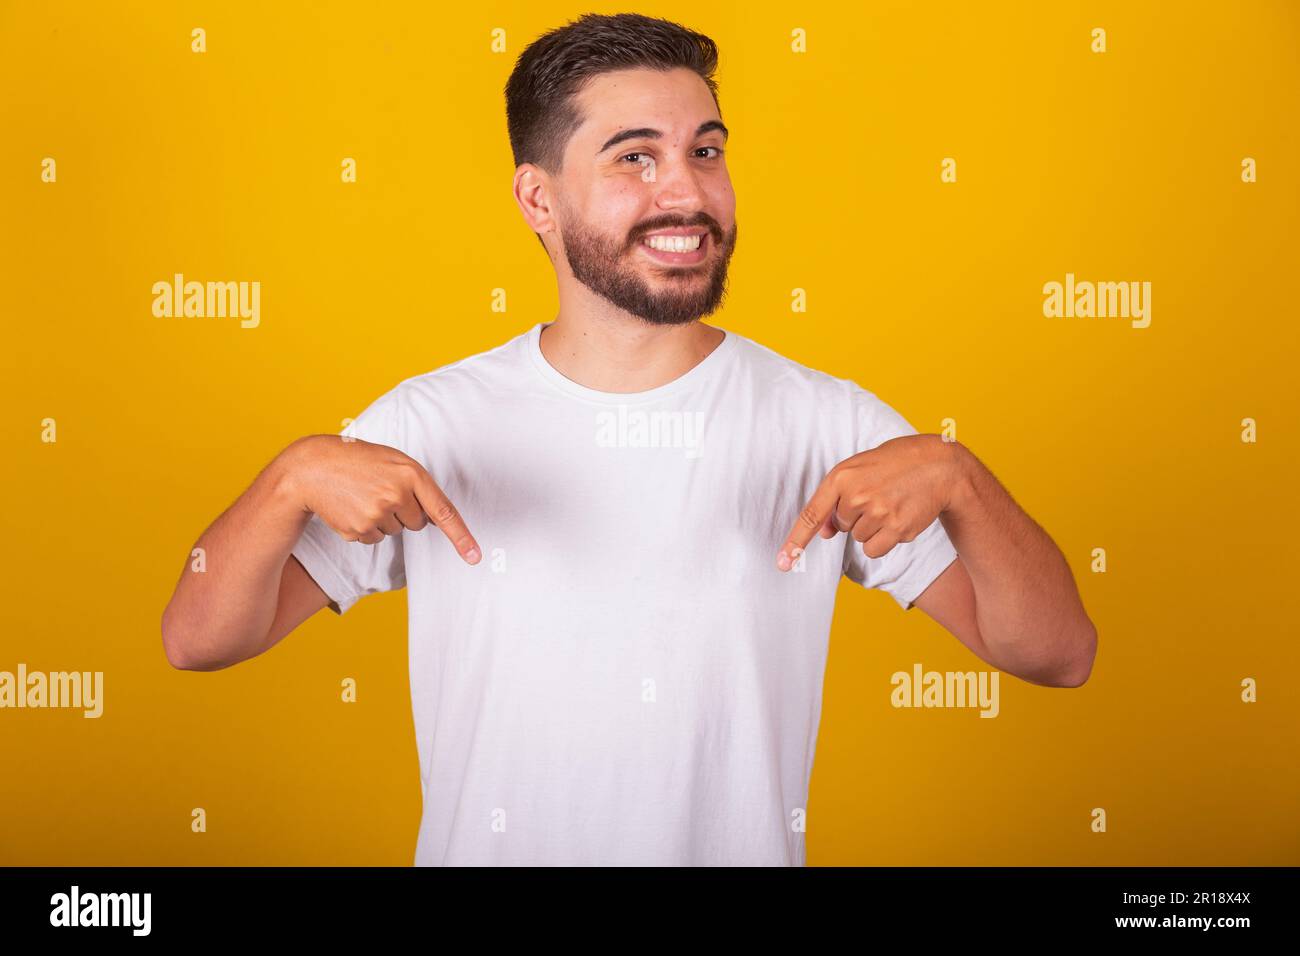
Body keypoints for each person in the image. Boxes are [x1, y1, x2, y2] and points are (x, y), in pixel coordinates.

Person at [160, 12, 1097, 866]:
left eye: (707, 150)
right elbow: (198, 639)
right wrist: (285, 482)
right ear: (538, 199)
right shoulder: (430, 425)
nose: (687, 192)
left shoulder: (826, 424)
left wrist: (965, 483)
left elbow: (1057, 654)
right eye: (634, 158)